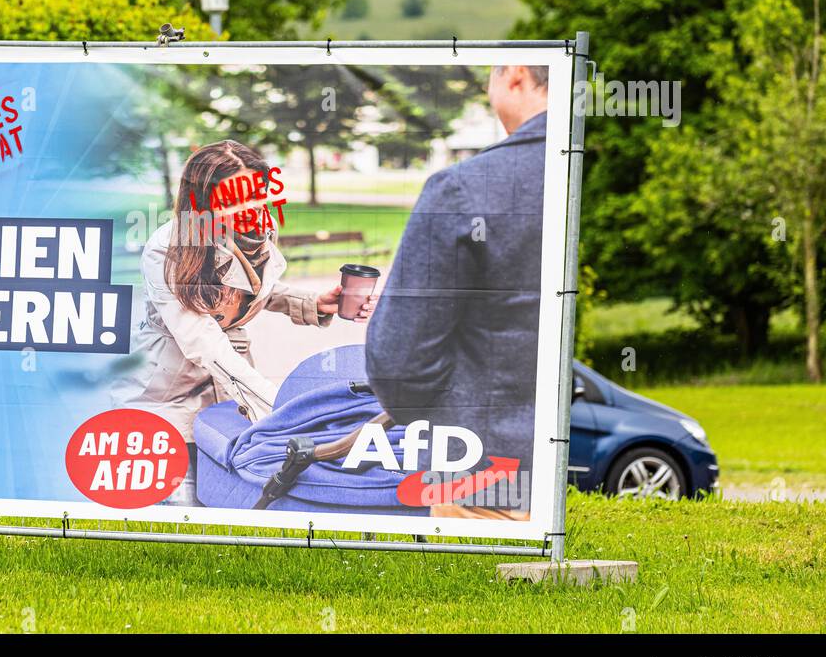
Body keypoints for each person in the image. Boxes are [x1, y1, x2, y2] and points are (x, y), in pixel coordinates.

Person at [114, 140, 376, 505]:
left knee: (225, 503)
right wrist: (280, 410)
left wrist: (311, 302)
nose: (249, 205)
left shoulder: (258, 230)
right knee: (180, 508)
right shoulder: (167, 248)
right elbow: (203, 342)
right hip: (167, 394)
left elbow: (249, 287)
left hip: (229, 389)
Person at [365, 64, 550, 510]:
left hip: (482, 474)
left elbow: (399, 362)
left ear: (515, 77)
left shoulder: (466, 189)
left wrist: (441, 419)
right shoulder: (589, 170)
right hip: (565, 470)